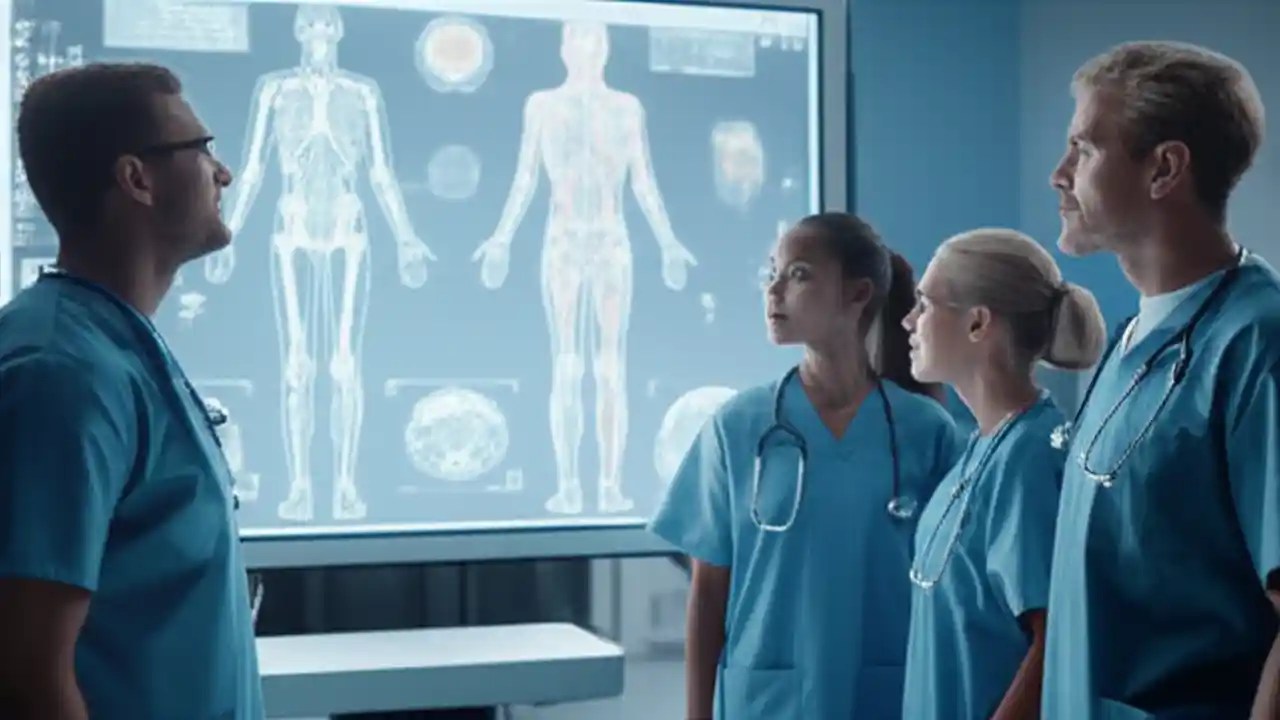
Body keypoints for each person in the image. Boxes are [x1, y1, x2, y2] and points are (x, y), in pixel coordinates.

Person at [0, 63, 263, 719]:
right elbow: (27, 675)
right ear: (136, 179)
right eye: (202, 151)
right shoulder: (61, 372)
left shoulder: (115, 347)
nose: (222, 173)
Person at [1042, 41, 1280, 719]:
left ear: (1165, 169)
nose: (1059, 174)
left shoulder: (1256, 341)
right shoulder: (1132, 343)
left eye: (1084, 150)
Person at [649, 212, 963, 719]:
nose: (773, 290)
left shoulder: (927, 431)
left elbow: (953, 595)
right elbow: (708, 596)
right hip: (768, 699)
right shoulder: (737, 426)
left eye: (798, 274)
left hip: (890, 693)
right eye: (771, 272)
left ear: (858, 294)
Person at [899, 228, 1106, 720]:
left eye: (925, 305)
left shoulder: (1031, 458)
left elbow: (1053, 637)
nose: (909, 321)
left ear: (977, 324)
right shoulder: (980, 450)